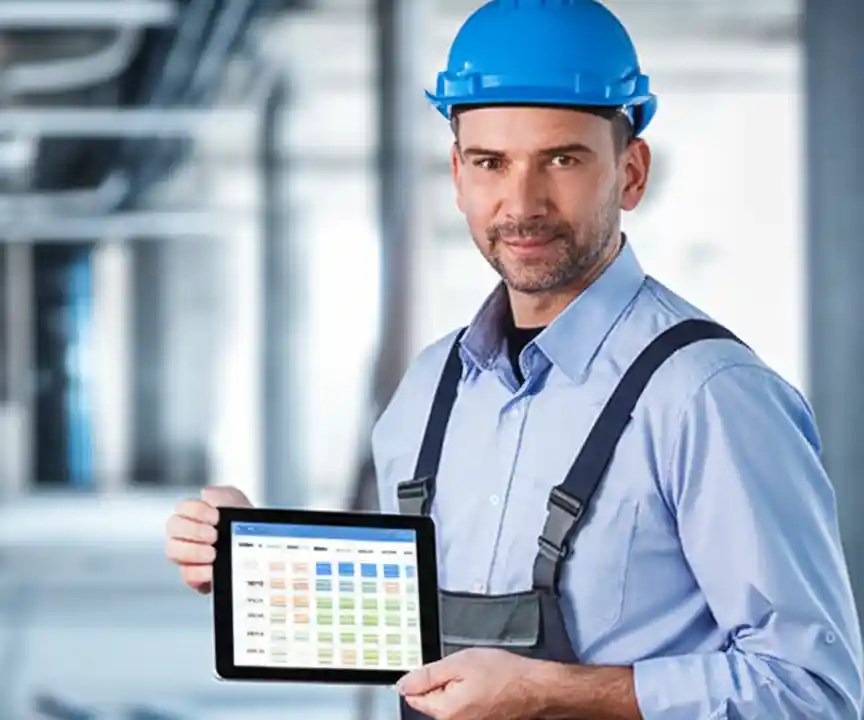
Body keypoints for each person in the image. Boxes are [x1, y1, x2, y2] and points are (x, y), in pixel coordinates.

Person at [165, 0, 864, 717]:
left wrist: (550, 693)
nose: (521, 202)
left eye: (561, 159)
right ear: (458, 175)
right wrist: (250, 558)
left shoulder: (708, 395)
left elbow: (813, 691)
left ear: (630, 172)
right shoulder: (428, 392)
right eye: (490, 163)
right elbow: (398, 627)